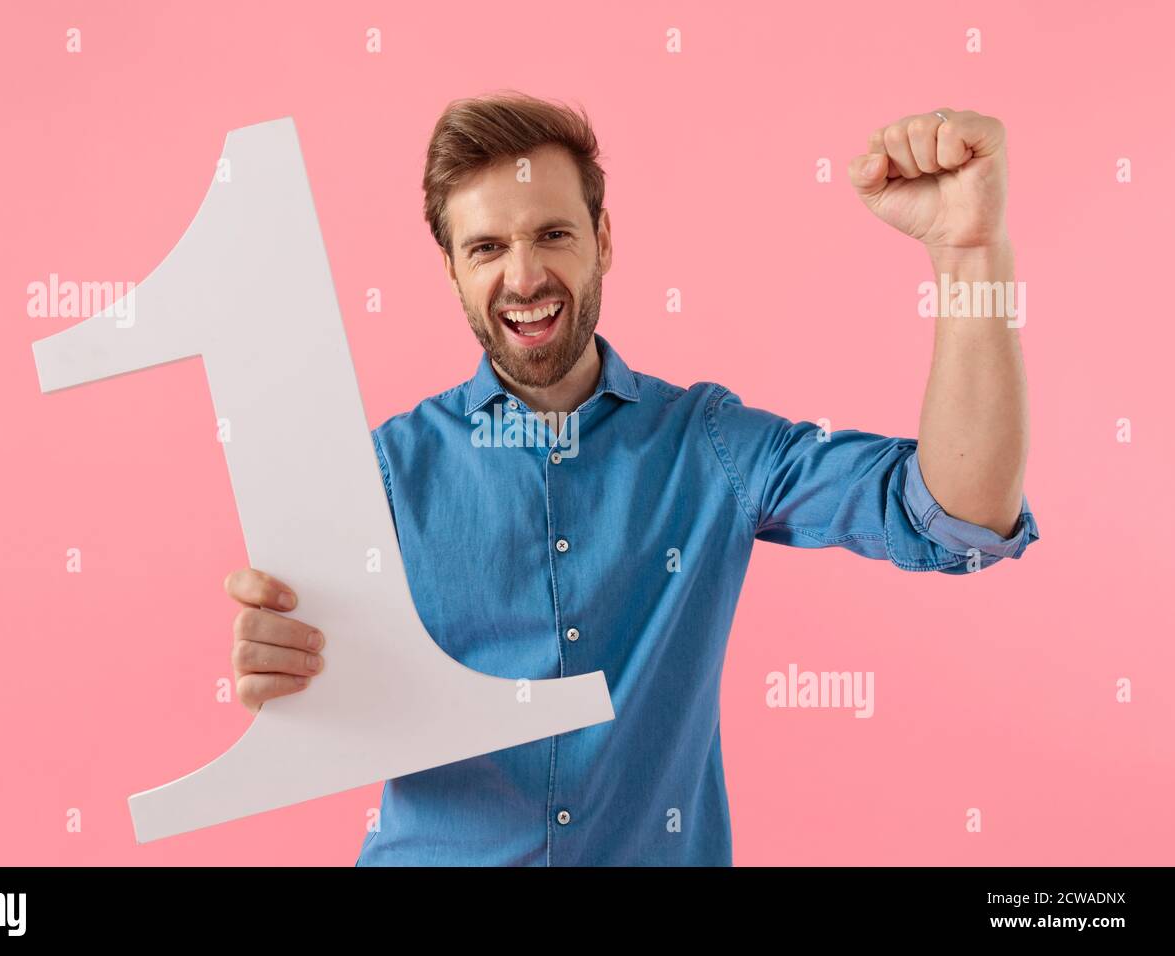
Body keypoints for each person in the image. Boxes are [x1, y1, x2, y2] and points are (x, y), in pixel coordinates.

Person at [222, 91, 1039, 866]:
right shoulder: (384, 475)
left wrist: (970, 254)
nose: (525, 276)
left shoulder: (710, 444)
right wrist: (287, 683)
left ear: (603, 239)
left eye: (552, 234)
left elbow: (956, 517)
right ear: (451, 270)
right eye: (486, 248)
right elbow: (317, 700)